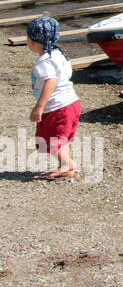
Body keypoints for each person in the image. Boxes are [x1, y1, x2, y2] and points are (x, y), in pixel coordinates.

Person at [26, 17, 80, 178]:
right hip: (72, 102)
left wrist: (39, 106)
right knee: (60, 137)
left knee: (51, 138)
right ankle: (66, 165)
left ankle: (67, 165)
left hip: (57, 106)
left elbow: (51, 81)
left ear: (34, 42)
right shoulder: (59, 55)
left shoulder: (44, 61)